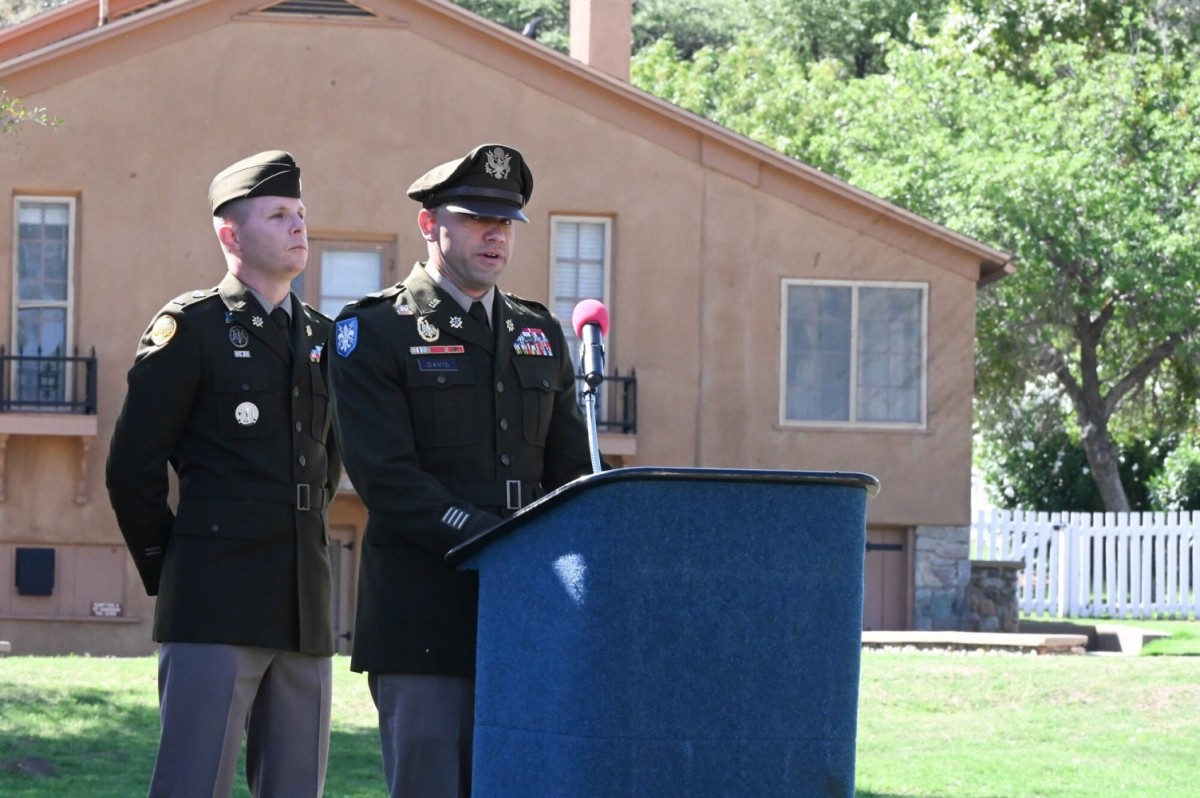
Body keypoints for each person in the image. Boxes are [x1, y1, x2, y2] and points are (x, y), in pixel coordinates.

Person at [329, 143, 593, 797]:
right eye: (477, 217)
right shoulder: (376, 332)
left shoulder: (539, 332)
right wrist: (498, 543)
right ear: (429, 224)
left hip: (529, 620)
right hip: (425, 625)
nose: (495, 233)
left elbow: (571, 470)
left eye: (505, 222)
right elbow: (388, 481)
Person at [106, 150, 341, 798]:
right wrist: (174, 565)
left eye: (299, 214)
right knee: (192, 784)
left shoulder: (322, 337)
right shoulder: (192, 328)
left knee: (297, 789)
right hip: (213, 598)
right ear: (230, 235)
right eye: (278, 215)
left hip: (304, 602)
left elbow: (327, 464)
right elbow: (133, 467)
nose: (298, 227)